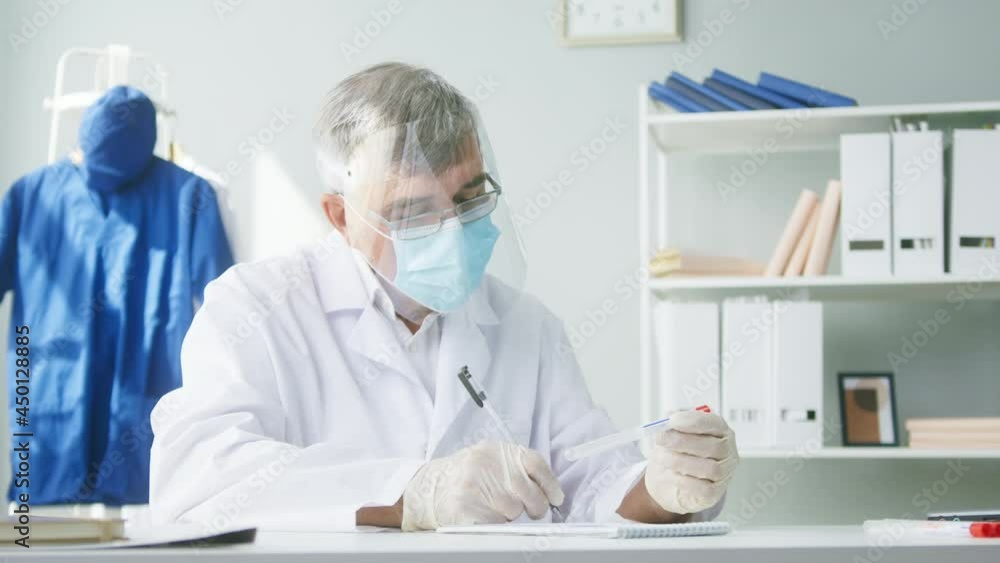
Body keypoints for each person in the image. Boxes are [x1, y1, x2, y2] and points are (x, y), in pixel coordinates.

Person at [148, 63, 738, 531]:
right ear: (339, 216)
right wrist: (416, 493)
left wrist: (665, 489)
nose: (454, 231)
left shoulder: (526, 326)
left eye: (470, 197)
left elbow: (591, 486)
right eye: (411, 211)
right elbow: (197, 477)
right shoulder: (256, 307)